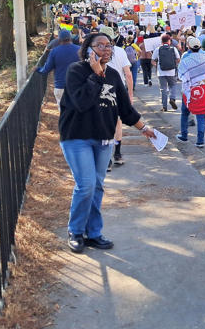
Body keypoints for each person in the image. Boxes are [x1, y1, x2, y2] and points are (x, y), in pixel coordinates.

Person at [59, 32, 157, 253]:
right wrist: (95, 74)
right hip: (77, 137)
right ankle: (75, 231)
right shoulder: (76, 71)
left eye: (108, 45)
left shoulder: (113, 75)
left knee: (98, 186)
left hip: (103, 138)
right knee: (86, 185)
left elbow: (124, 108)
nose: (106, 49)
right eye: (100, 45)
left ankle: (93, 233)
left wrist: (144, 128)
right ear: (88, 49)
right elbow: (82, 102)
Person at [99, 26, 133, 168]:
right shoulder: (120, 52)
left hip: (101, 91)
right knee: (118, 123)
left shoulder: (96, 52)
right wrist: (130, 94)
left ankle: (106, 159)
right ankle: (117, 153)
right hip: (119, 91)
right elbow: (128, 74)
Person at [176, 36, 205, 147]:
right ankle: (200, 141)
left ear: (189, 46)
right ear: (200, 46)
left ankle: (184, 135)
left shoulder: (185, 58)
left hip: (188, 90)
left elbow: (181, 76)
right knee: (201, 115)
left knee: (185, 113)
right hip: (202, 90)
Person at [37, 28, 80, 107]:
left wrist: (37, 69)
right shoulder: (79, 50)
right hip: (77, 86)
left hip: (60, 86)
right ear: (70, 38)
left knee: (63, 113)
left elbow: (46, 69)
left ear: (59, 39)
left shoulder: (54, 51)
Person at [154, 34, 181, 112]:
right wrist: (173, 63)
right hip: (171, 71)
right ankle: (172, 98)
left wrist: (158, 65)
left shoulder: (157, 49)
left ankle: (164, 107)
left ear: (161, 41)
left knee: (163, 89)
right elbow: (178, 59)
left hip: (161, 72)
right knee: (173, 85)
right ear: (169, 41)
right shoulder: (173, 49)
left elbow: (153, 61)